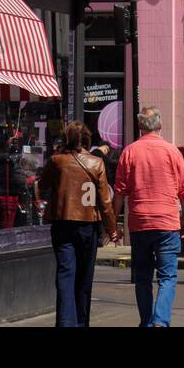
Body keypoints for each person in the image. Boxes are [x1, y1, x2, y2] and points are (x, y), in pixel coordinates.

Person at [113, 107, 184, 327]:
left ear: (140, 127)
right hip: (167, 222)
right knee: (167, 277)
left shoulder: (129, 152)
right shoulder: (172, 151)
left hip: (139, 223)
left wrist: (112, 223)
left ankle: (147, 322)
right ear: (159, 125)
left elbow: (119, 192)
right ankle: (160, 321)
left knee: (143, 277)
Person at [39, 120, 118, 327]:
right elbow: (105, 201)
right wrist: (112, 230)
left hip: (62, 223)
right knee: (84, 277)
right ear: (86, 140)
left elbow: (42, 184)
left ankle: (66, 322)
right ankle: (81, 322)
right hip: (88, 226)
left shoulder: (57, 161)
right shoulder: (96, 163)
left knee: (65, 274)